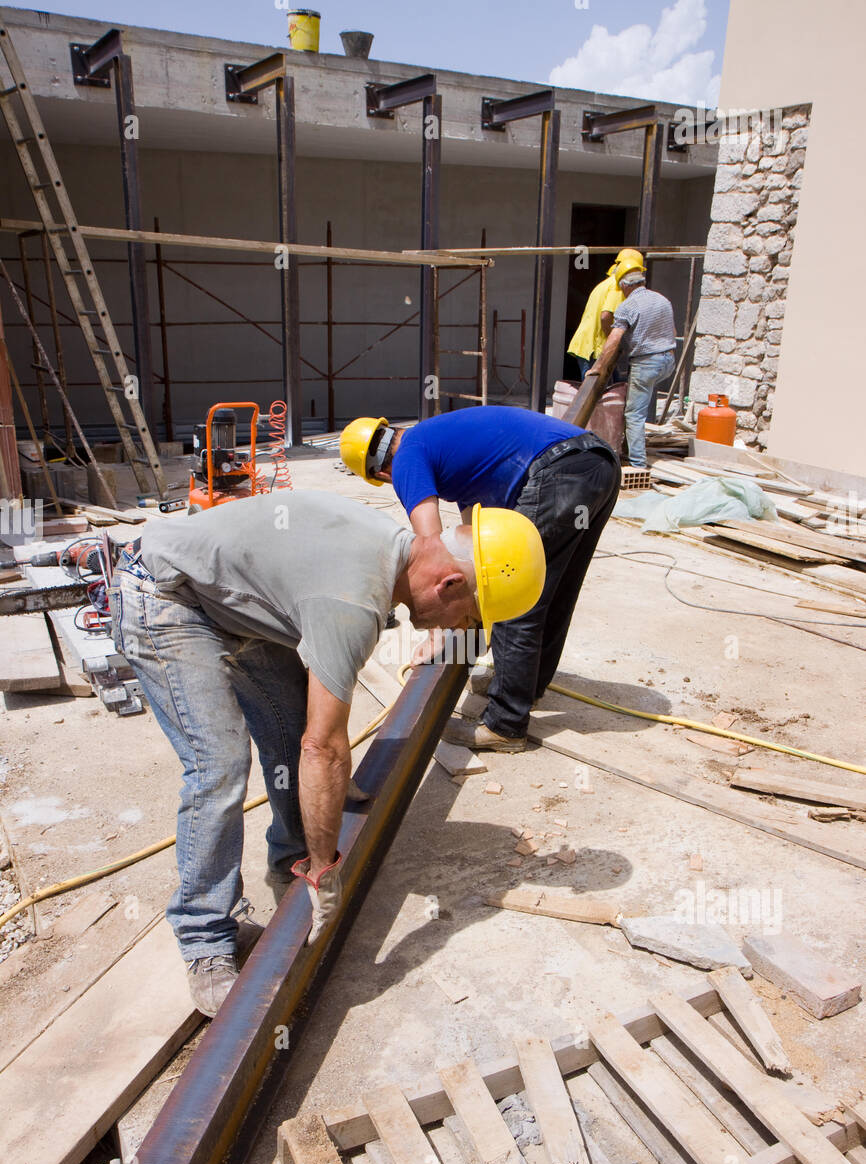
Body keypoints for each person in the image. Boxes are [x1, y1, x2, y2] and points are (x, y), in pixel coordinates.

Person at [108, 490, 544, 1015]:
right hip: (165, 595)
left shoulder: (392, 551)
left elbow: (311, 743)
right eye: (468, 617)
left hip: (230, 602)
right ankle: (204, 939)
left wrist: (325, 794)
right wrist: (325, 868)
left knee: (290, 733)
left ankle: (288, 862)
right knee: (219, 766)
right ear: (449, 582)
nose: (461, 630)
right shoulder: (353, 602)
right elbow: (324, 746)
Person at [339, 405, 620, 754]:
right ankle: (524, 686)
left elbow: (434, 552)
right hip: (597, 463)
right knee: (551, 589)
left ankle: (505, 724)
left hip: (560, 472)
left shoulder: (408, 458)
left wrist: (439, 634)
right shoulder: (446, 451)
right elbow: (474, 540)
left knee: (511, 590)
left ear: (379, 474)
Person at [588, 267, 676, 470]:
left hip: (647, 362)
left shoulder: (628, 306)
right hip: (668, 360)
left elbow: (614, 337)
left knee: (634, 414)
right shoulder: (663, 300)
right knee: (639, 401)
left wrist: (599, 366)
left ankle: (637, 464)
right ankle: (630, 448)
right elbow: (672, 331)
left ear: (625, 286)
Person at [566, 248, 644, 379]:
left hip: (589, 345)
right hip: (594, 348)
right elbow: (606, 316)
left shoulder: (607, 283)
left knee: (607, 389)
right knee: (592, 394)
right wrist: (614, 342)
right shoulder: (618, 287)